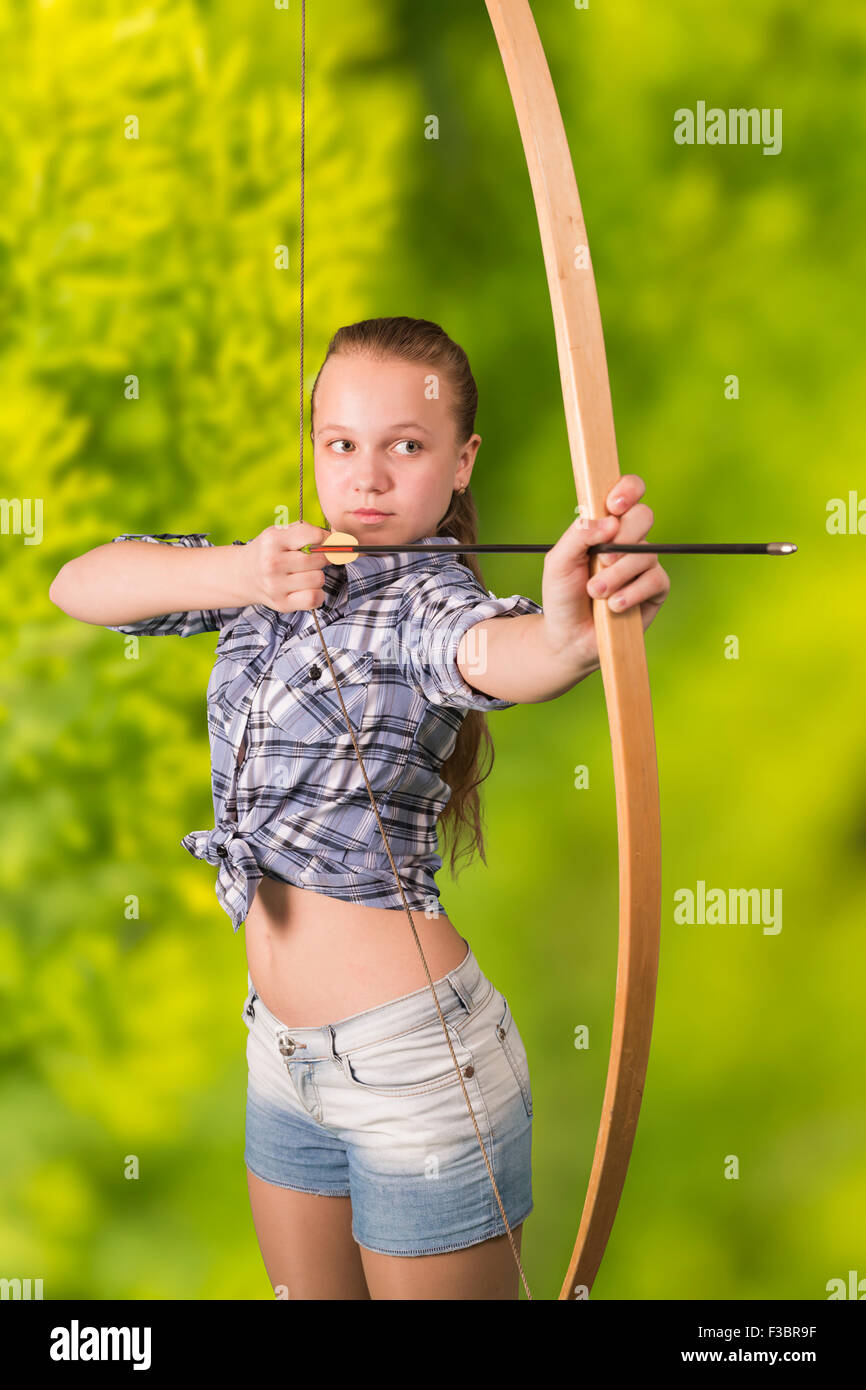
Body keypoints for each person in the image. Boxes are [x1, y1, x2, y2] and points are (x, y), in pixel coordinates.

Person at [49, 316, 669, 1300]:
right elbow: (79, 583)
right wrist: (241, 572)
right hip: (278, 1051)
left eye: (406, 446)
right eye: (341, 444)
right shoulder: (276, 573)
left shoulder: (425, 601)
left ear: (460, 463)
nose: (368, 477)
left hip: (412, 1066)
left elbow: (499, 654)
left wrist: (569, 629)